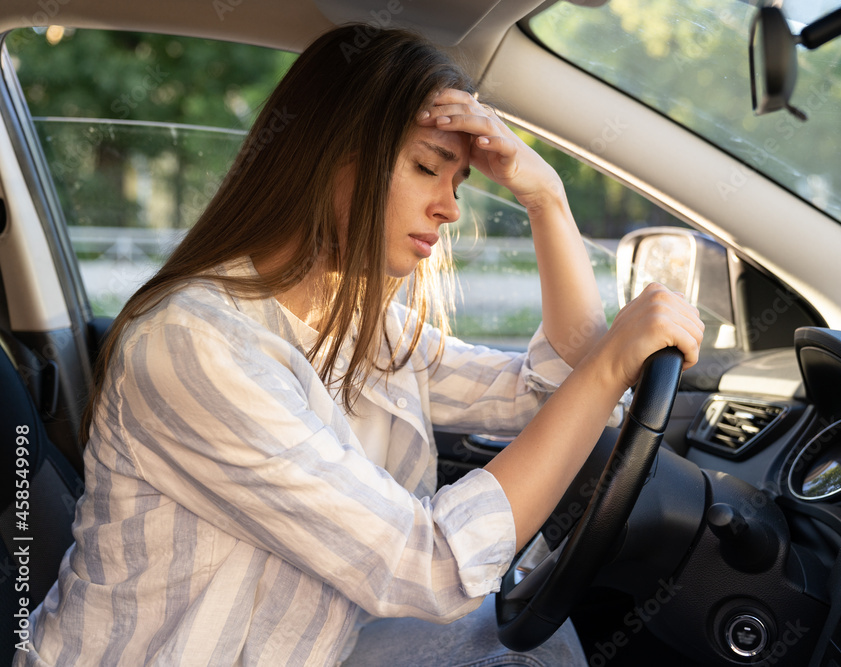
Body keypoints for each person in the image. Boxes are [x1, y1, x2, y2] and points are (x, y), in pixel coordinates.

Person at [16, 25, 704, 666]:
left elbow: (554, 395)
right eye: (428, 167)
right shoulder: (190, 344)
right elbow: (428, 566)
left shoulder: (360, 322)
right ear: (333, 161)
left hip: (303, 646)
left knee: (532, 647)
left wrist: (546, 196)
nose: (451, 207)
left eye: (459, 181)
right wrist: (614, 358)